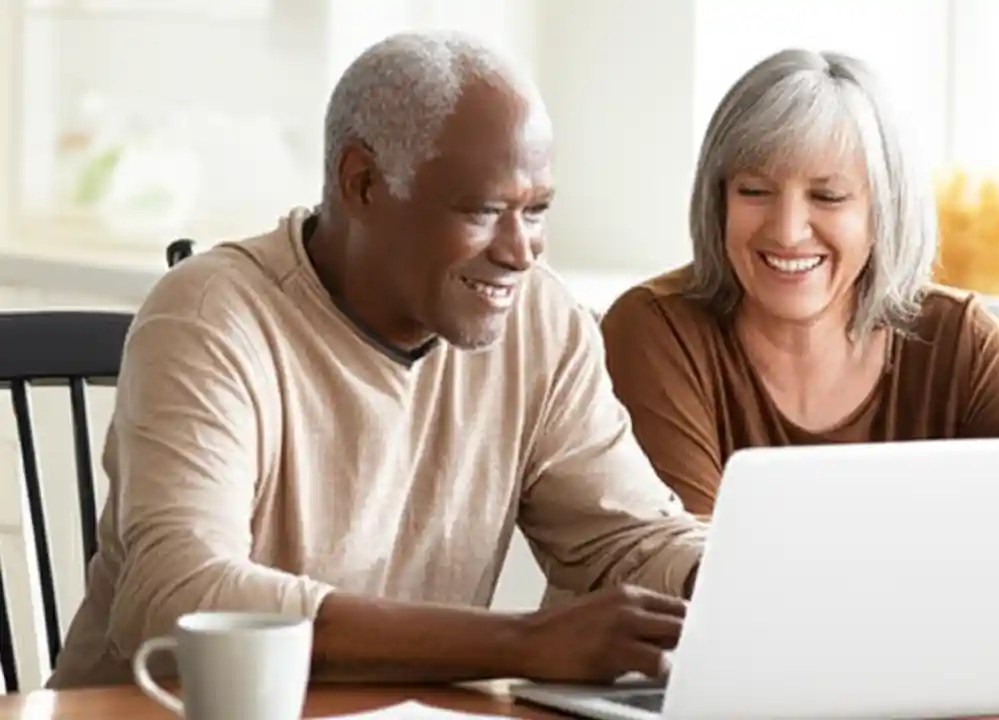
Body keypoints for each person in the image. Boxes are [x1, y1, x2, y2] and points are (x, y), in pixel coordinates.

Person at [49, 31, 704, 689]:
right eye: (482, 210)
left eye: (535, 211)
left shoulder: (541, 321)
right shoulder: (211, 315)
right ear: (361, 183)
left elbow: (628, 540)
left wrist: (727, 577)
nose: (521, 251)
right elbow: (179, 599)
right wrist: (521, 643)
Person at [599, 49, 999, 655]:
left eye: (828, 197)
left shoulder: (957, 336)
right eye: (754, 191)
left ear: (881, 211)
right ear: (718, 199)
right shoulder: (655, 330)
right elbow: (702, 591)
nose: (786, 230)